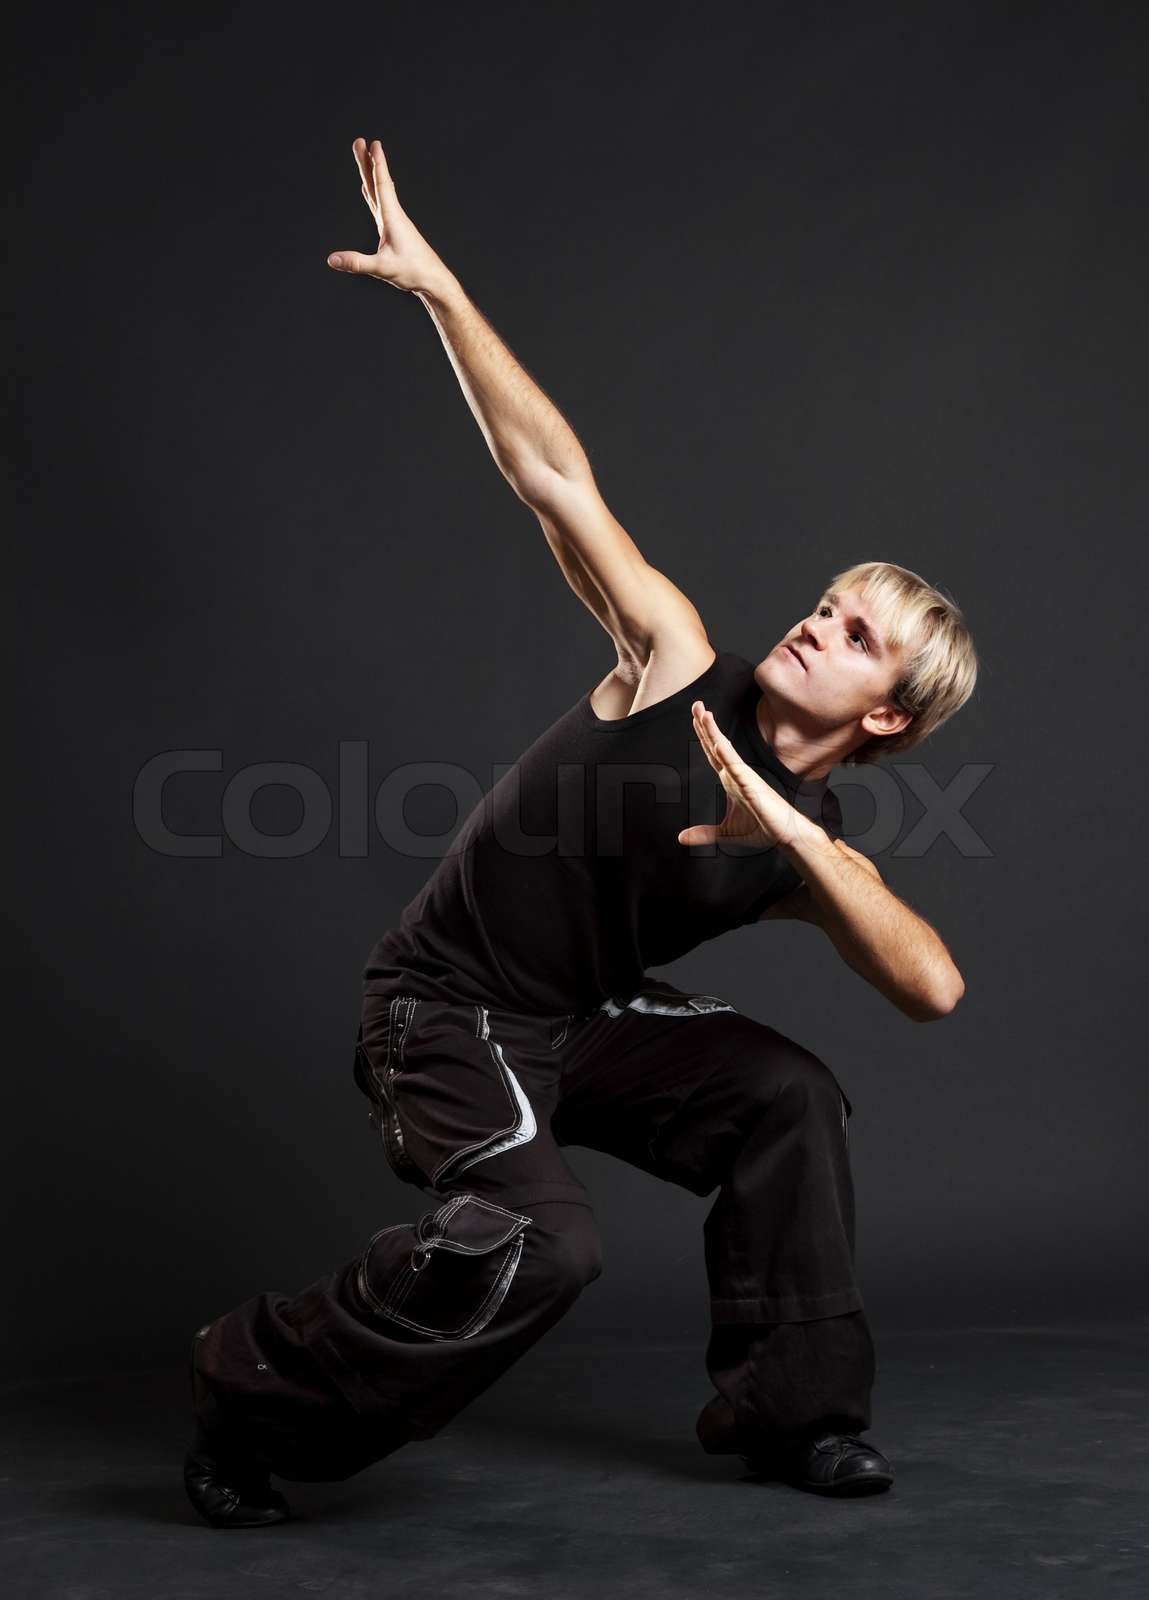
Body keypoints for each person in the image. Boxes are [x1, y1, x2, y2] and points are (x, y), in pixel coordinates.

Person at [183, 137, 978, 1528]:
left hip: (589, 1018)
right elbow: (553, 477)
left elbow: (929, 985)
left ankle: (789, 1412)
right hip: (446, 1010)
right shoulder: (671, 657)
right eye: (828, 600)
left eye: (855, 635)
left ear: (889, 717)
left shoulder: (817, 831)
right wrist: (439, 294)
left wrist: (787, 846)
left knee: (784, 1092)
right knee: (542, 1251)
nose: (815, 621)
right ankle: (256, 1396)